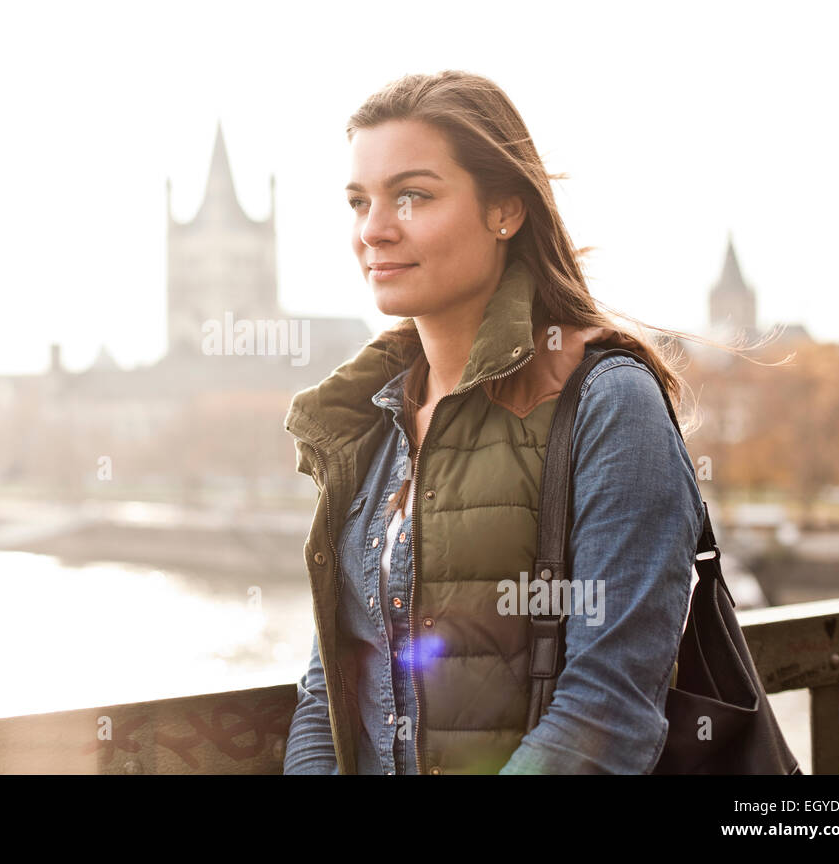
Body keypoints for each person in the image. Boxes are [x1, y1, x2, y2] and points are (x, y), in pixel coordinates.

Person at [281, 70, 756, 775]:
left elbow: (607, 710)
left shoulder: (608, 402)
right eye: (359, 201)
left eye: (412, 195)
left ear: (505, 210)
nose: (374, 229)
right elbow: (330, 690)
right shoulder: (367, 423)